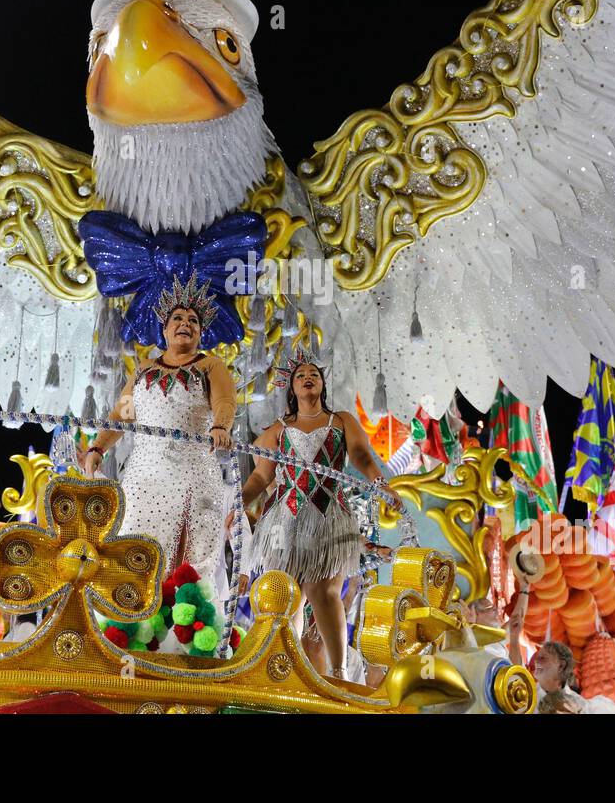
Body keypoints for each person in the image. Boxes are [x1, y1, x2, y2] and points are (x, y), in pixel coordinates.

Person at [239, 348, 392, 679]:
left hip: (328, 518)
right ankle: (285, 672)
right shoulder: (277, 430)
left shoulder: (341, 421)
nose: (308, 378)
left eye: (314, 374)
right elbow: (260, 477)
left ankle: (339, 675)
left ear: (322, 384)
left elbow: (363, 456)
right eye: (300, 376)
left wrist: (381, 485)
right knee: (286, 595)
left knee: (324, 593)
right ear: (292, 390)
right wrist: (237, 504)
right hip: (286, 521)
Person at [80, 274, 236, 594]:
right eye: (177, 318)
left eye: (193, 320)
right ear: (164, 330)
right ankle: (132, 629)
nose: (185, 323)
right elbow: (121, 417)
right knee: (136, 559)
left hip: (193, 479)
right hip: (144, 481)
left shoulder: (211, 366)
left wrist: (220, 426)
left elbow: (224, 402)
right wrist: (97, 448)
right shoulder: (143, 370)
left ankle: (188, 634)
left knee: (186, 570)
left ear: (201, 333)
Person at [530, 641, 586, 713]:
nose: (536, 661)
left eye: (543, 658)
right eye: (538, 657)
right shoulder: (527, 695)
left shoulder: (579, 704)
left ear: (561, 666)